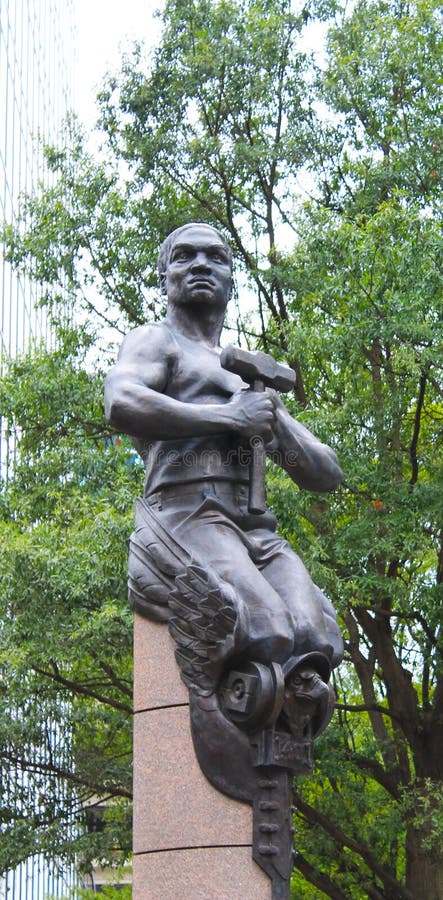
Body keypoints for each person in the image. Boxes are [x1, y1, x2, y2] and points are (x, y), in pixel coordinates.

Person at [104, 222, 343, 675]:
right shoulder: (156, 341)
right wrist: (230, 418)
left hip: (255, 531)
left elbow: (326, 473)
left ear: (232, 279)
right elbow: (122, 401)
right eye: (185, 256)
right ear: (165, 276)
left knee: (316, 640)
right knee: (265, 629)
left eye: (215, 257)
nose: (200, 264)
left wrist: (275, 425)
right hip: (188, 515)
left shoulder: (245, 377)